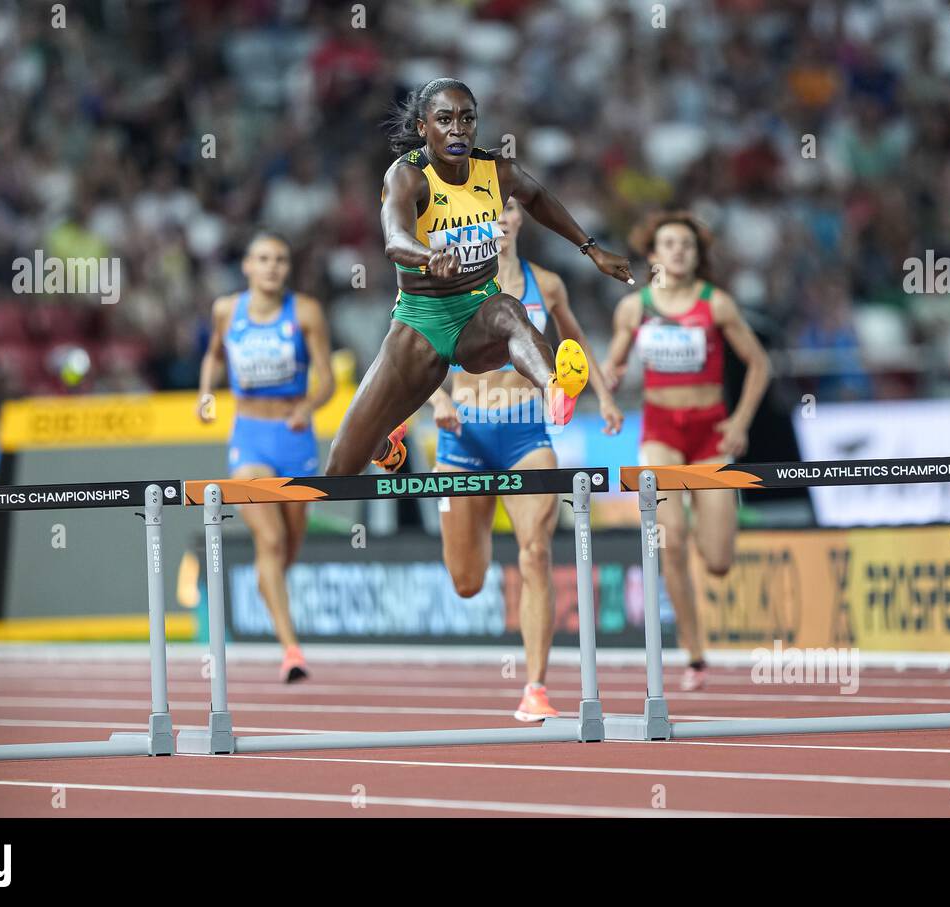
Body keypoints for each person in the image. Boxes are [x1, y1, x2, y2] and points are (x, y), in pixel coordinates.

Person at [323, 77, 634, 477]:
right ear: (424, 128)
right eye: (445, 119)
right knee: (339, 470)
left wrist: (591, 250)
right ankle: (385, 443)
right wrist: (429, 255)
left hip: (477, 314)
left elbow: (537, 198)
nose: (458, 129)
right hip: (421, 326)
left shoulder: (496, 171)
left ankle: (554, 389)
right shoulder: (407, 176)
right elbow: (395, 240)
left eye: (467, 119)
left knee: (507, 309)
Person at [428, 197, 624, 720]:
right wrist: (438, 398)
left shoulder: (549, 284)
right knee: (466, 581)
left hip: (524, 433)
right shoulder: (450, 279)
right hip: (462, 434)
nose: (497, 221)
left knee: (536, 553)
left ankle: (535, 687)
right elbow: (416, 351)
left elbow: (575, 340)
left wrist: (601, 394)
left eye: (506, 210)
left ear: (517, 220)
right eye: (484, 214)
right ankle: (478, 535)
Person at [604, 212, 771, 691]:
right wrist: (608, 389)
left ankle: (708, 527)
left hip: (710, 436)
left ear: (697, 256)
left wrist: (739, 421)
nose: (678, 251)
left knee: (717, 560)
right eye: (669, 244)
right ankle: (694, 655)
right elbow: (612, 367)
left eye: (687, 245)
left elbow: (760, 364)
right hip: (661, 433)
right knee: (668, 541)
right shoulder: (634, 309)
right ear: (653, 255)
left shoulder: (715, 304)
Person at [198, 232, 334, 682]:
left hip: (294, 437)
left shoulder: (306, 312)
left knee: (289, 545)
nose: (273, 266)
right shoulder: (226, 310)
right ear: (247, 267)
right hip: (249, 438)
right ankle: (291, 650)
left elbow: (328, 381)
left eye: (280, 259)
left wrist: (308, 408)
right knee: (270, 540)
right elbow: (214, 355)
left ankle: (268, 583)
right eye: (263, 259)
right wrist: (205, 394)